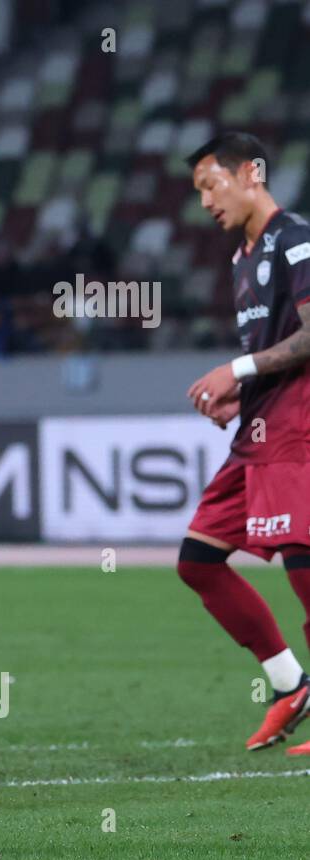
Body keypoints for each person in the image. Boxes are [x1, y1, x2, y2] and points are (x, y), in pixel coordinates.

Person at [181, 132, 310, 753]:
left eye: (212, 185)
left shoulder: (297, 240)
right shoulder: (241, 258)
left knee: (304, 567)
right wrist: (240, 393)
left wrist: (238, 371)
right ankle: (290, 683)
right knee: (197, 561)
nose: (206, 201)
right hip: (257, 430)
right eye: (199, 192)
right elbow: (273, 350)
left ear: (251, 172)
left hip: (297, 429)